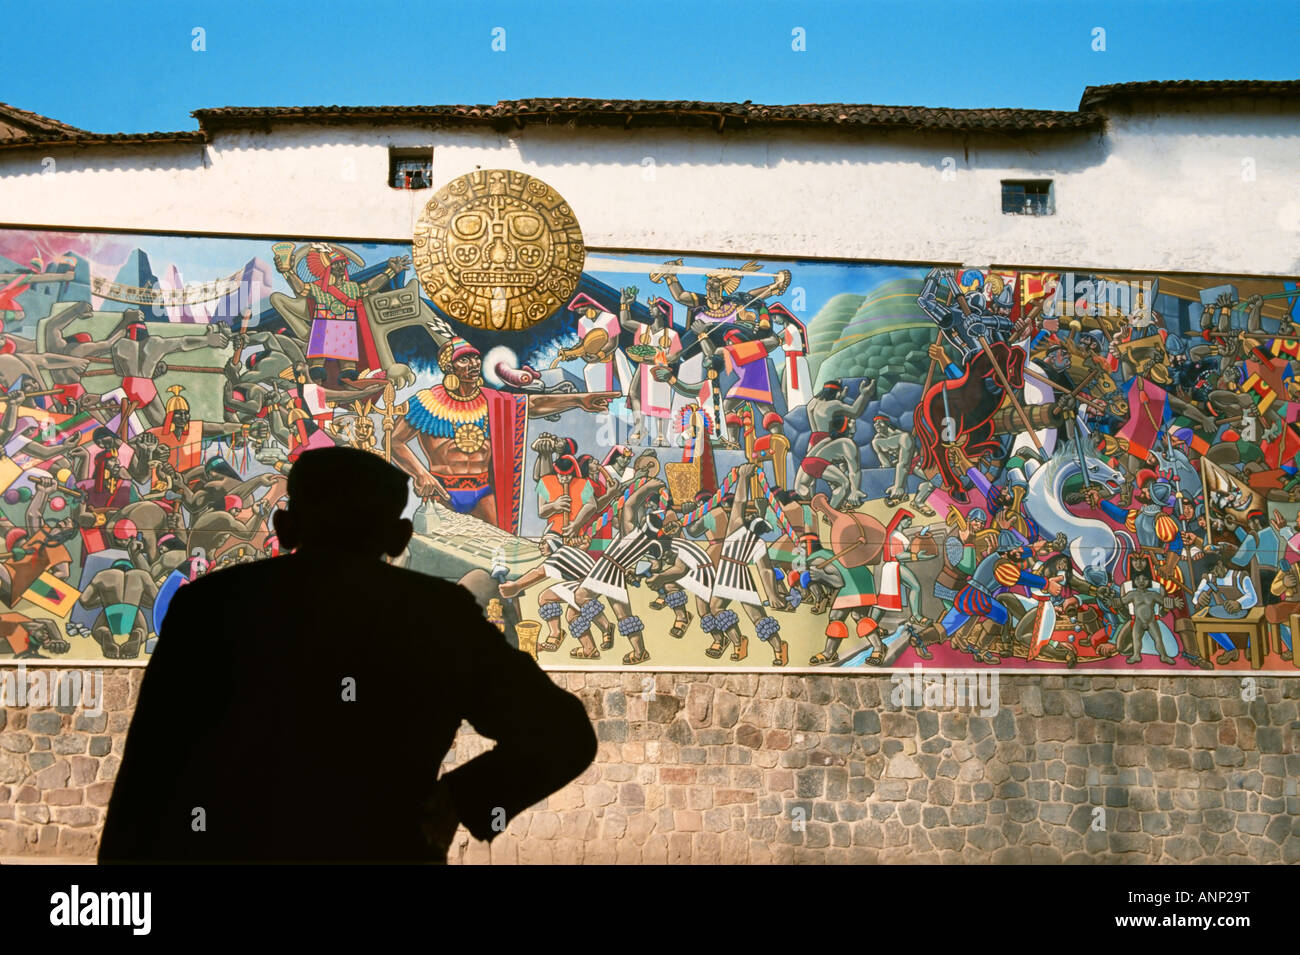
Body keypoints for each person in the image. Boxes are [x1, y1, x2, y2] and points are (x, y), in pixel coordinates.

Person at [99, 446, 597, 863]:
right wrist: (457, 800)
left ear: (284, 526)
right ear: (399, 539)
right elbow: (565, 734)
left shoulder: (209, 606)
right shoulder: (440, 615)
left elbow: (150, 768)